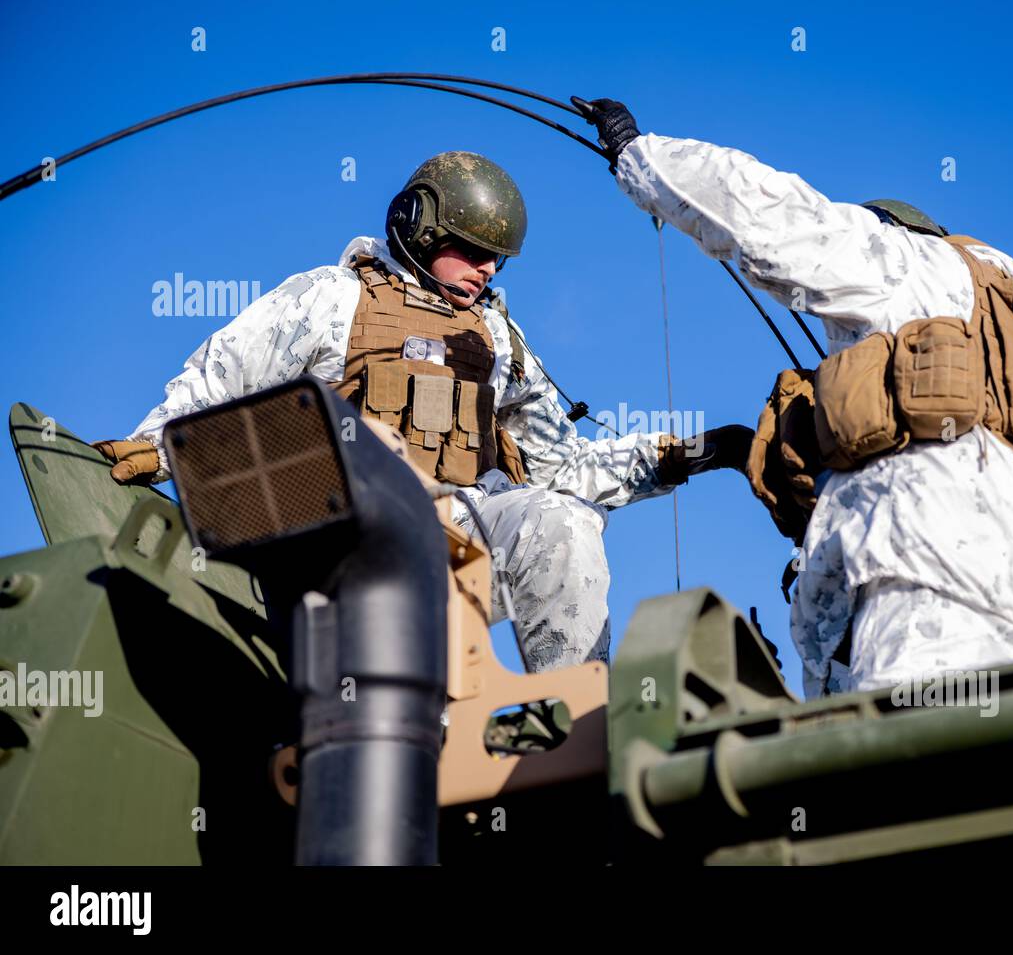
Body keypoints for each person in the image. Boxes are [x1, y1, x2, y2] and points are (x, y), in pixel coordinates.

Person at [93, 151, 752, 672]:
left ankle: (573, 727)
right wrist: (153, 448)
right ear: (421, 225)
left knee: (563, 521)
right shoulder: (332, 300)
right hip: (339, 539)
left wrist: (694, 453)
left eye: (497, 258)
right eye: (471, 247)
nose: (488, 267)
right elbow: (218, 378)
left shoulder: (497, 339)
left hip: (457, 536)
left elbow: (565, 468)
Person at [579, 99, 1013, 698]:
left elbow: (766, 213)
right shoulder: (1006, 349)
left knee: (898, 763)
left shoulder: (904, 263)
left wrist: (640, 157)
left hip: (933, 599)